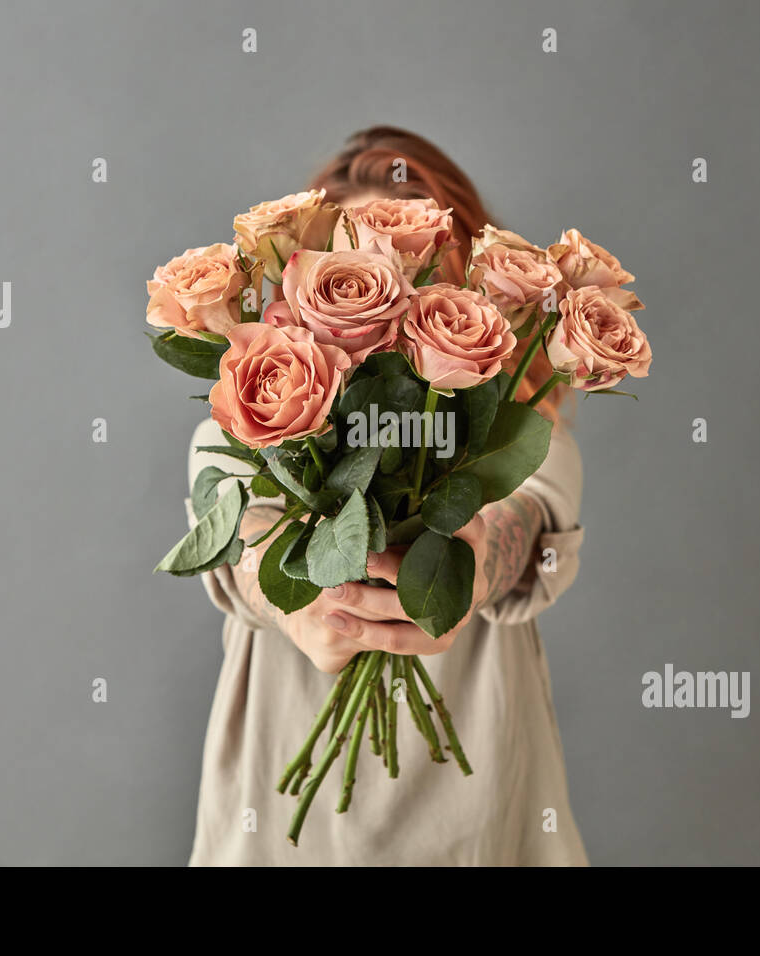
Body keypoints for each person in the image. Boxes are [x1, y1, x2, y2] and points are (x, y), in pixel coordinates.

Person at [186, 127, 588, 865]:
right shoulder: (245, 412)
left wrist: (459, 572)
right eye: (357, 263)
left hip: (478, 821)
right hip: (277, 825)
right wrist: (293, 597)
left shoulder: (525, 433)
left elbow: (522, 523)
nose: (391, 292)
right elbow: (238, 528)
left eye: (421, 268)